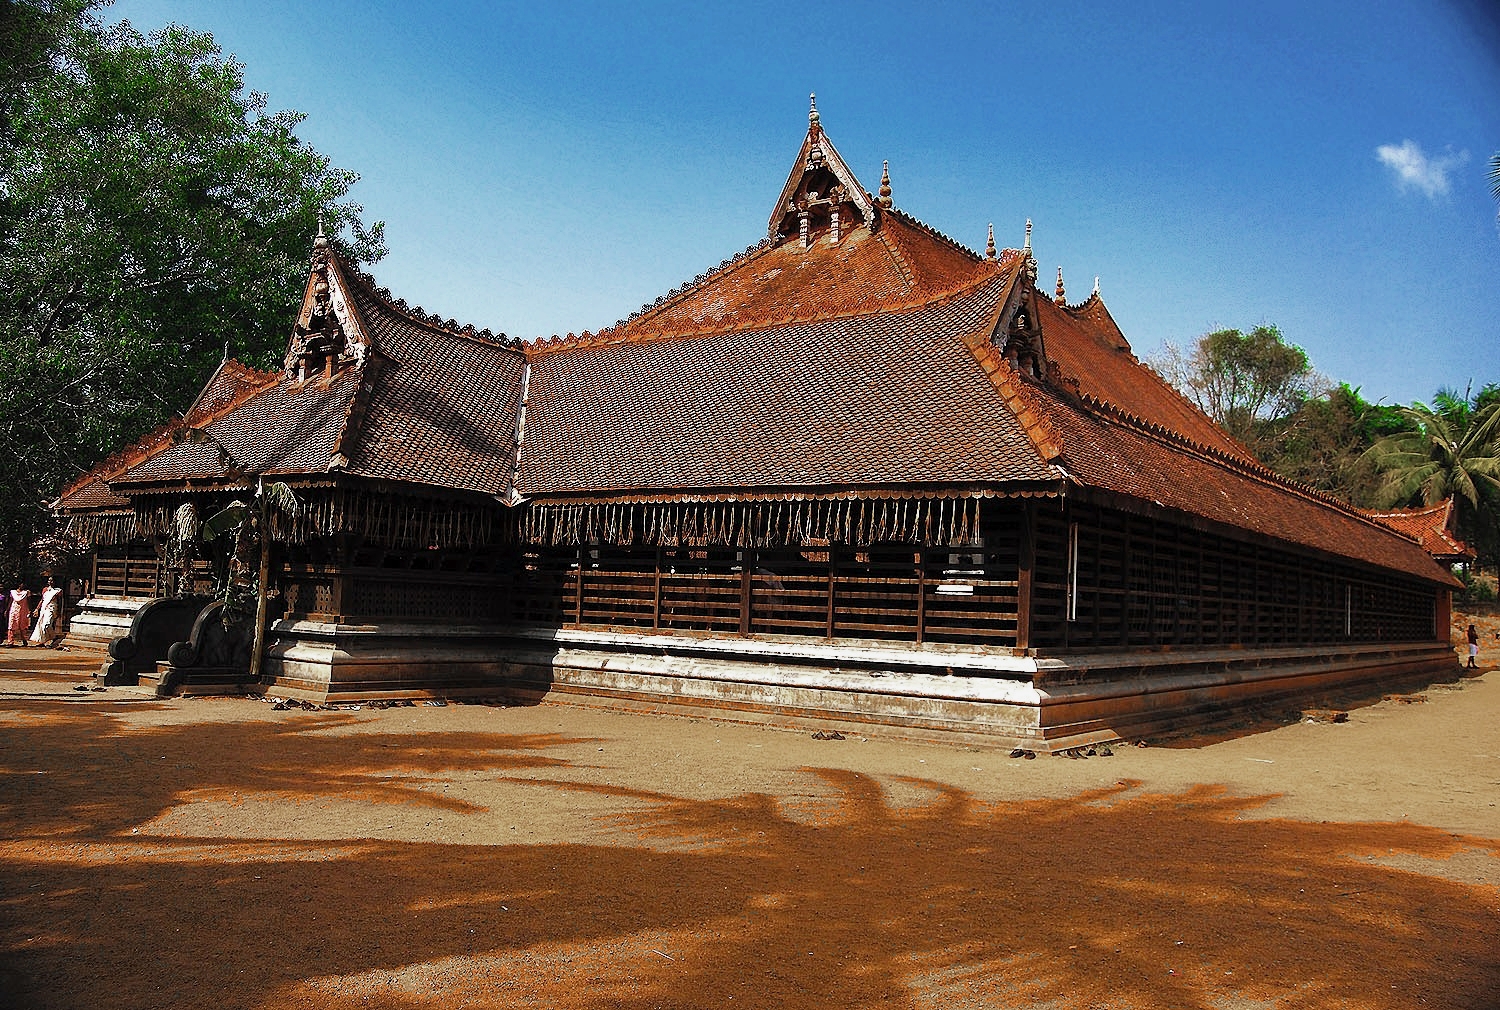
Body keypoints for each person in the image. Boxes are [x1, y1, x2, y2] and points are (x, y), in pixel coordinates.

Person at [28, 579, 64, 648]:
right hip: (44, 608)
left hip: (52, 608)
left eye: (52, 580)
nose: (50, 582)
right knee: (41, 625)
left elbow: (60, 602)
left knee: (46, 625)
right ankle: (43, 641)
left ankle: (52, 638)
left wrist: (59, 612)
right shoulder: (45, 589)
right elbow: (42, 600)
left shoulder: (58, 591)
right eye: (49, 580)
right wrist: (37, 609)